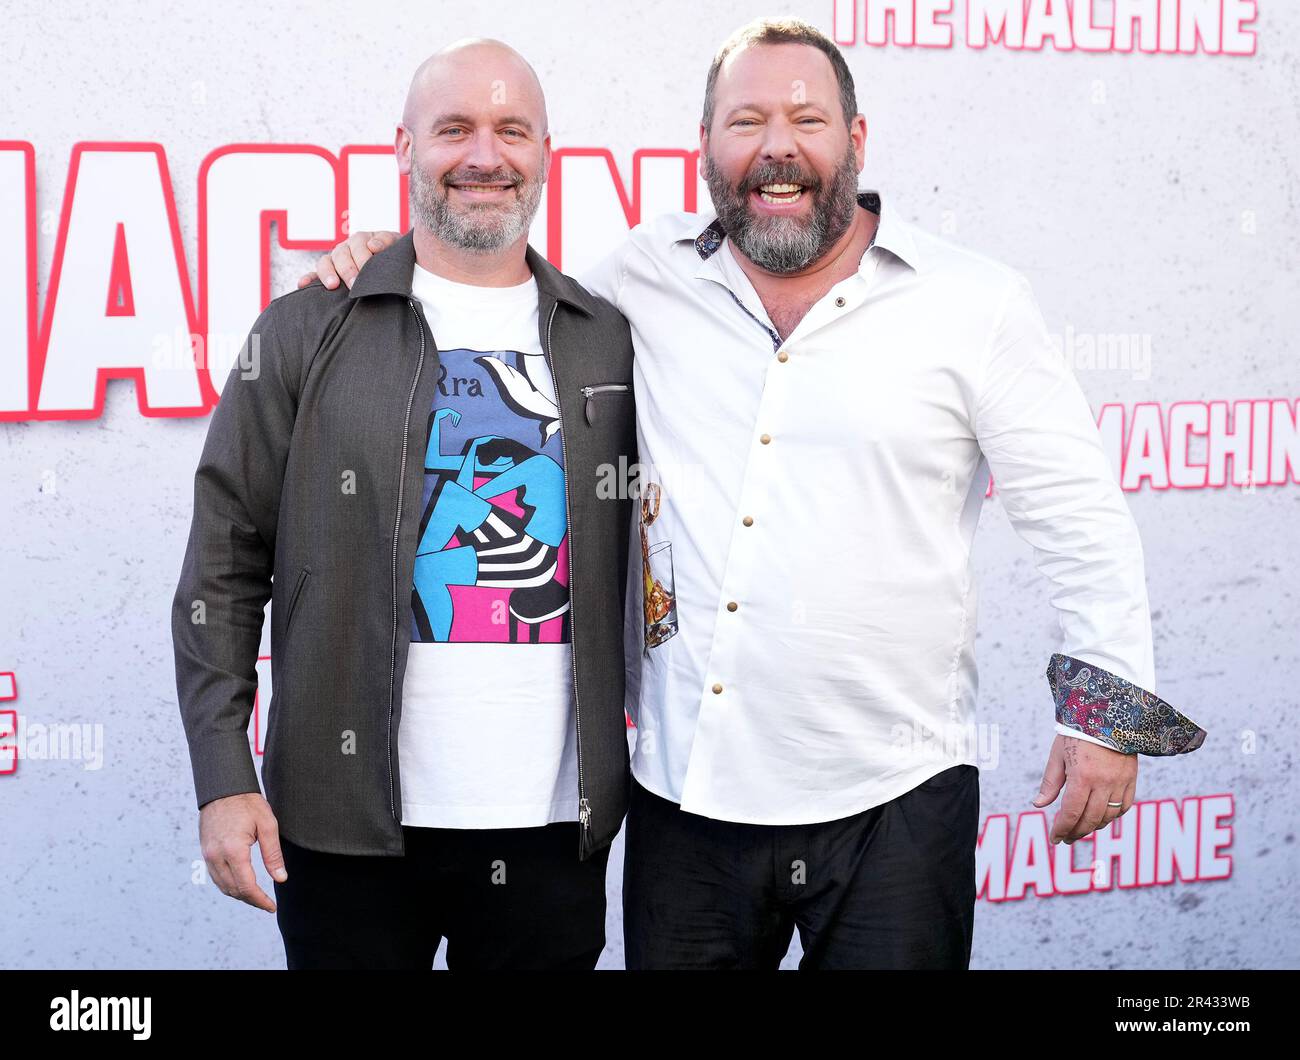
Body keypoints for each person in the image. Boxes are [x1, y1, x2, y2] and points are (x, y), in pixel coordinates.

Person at [305, 17, 1207, 970]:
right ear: (706, 150)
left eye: (806, 118)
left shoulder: (973, 303)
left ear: (855, 142)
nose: (776, 145)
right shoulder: (638, 280)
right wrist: (389, 258)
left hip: (894, 800)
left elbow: (1077, 514)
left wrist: (1103, 718)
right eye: (746, 121)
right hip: (686, 803)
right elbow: (494, 289)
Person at [172, 38, 637, 969]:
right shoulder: (309, 326)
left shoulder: (609, 339)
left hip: (550, 829)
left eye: (511, 130)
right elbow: (223, 565)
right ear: (403, 148)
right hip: (343, 828)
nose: (483, 156)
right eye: (453, 129)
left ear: (547, 152)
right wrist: (224, 775)